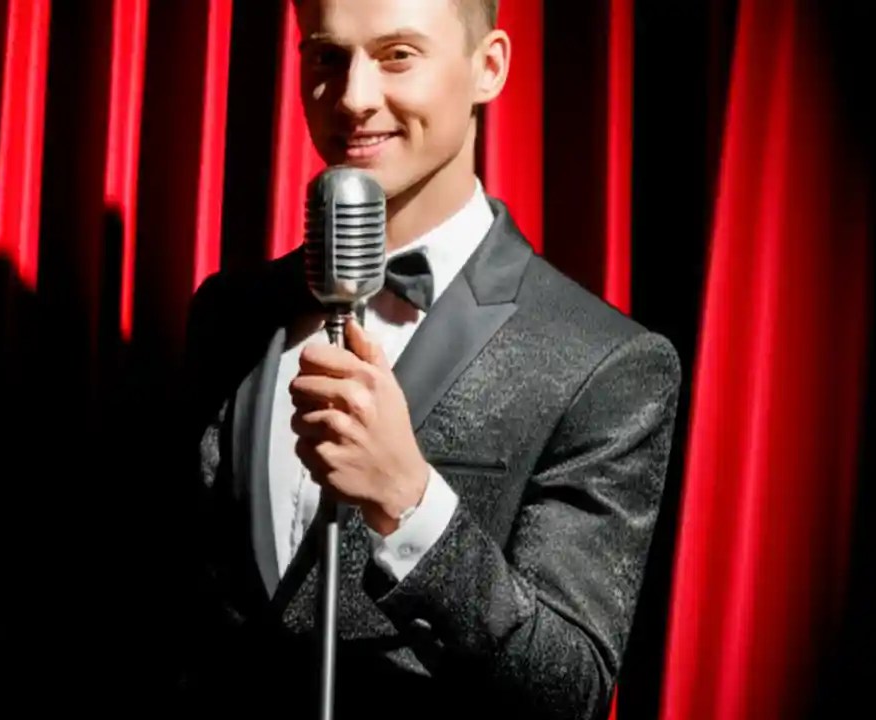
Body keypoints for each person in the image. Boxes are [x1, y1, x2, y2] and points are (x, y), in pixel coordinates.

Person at [167, 0, 682, 717]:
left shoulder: (604, 363)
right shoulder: (231, 312)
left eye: (397, 55)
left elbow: (570, 692)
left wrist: (410, 503)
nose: (353, 97)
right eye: (327, 56)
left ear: (488, 67)